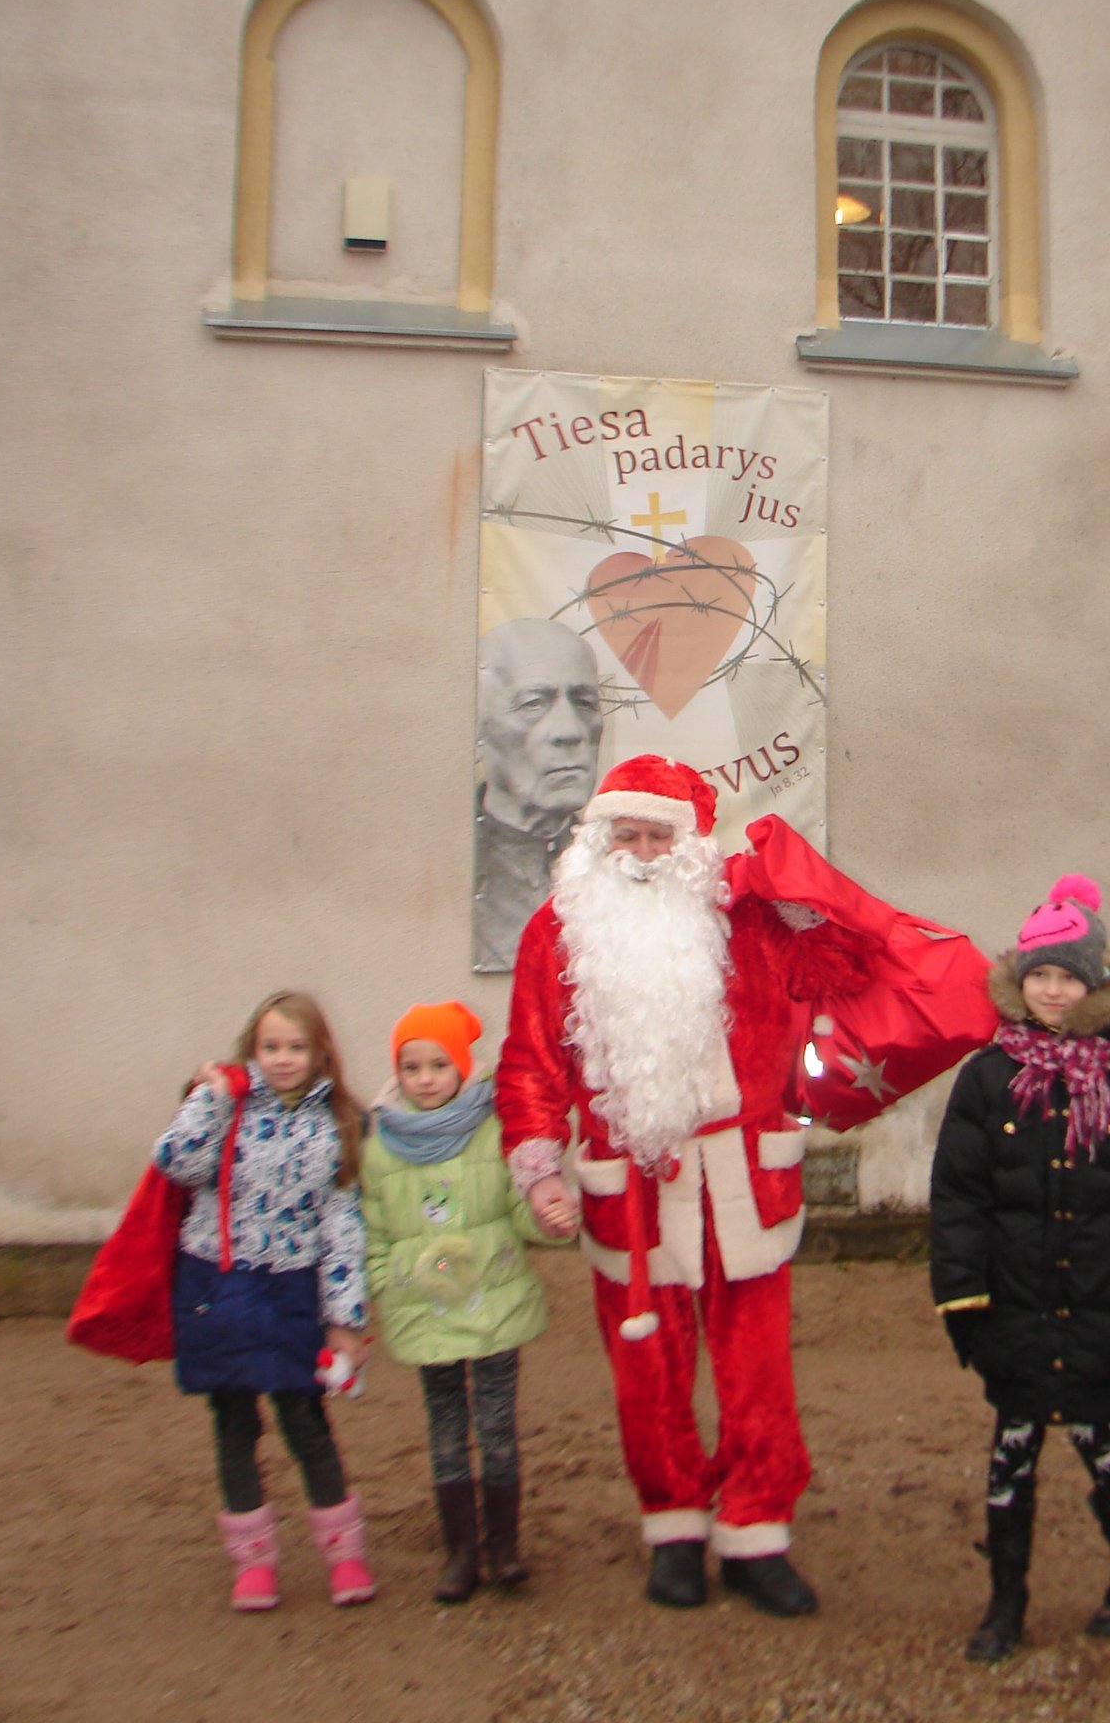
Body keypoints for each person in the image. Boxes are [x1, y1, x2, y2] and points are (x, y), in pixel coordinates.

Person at [495, 753, 872, 1618]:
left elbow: (847, 969)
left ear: (689, 842)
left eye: (655, 834)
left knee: (757, 1368)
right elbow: (529, 1060)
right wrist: (537, 1161)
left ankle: (755, 1532)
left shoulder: (748, 921)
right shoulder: (556, 931)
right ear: (597, 839)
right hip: (626, 1181)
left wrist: (803, 903)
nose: (638, 850)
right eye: (621, 833)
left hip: (742, 1174)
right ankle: (671, 1523)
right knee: (647, 1370)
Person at [929, 876, 1110, 1664]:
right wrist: (963, 1298)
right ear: (1020, 979)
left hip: (1098, 1300)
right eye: (1039, 974)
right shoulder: (987, 1077)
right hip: (1015, 1300)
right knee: (1013, 1443)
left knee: (1093, 1431)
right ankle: (1006, 1601)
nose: (1051, 990)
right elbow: (960, 1197)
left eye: (1067, 976)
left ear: (1093, 986)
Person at [152, 989, 373, 1613]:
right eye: (270, 1047)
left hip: (292, 1289)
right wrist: (207, 1098)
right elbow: (174, 1161)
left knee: (306, 1421)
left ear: (319, 1052)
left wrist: (345, 1320)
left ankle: (344, 1553)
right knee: (234, 1422)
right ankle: (252, 1564)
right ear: (252, 1048)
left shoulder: (337, 1123)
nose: (282, 1060)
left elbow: (342, 1225)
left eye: (295, 1048)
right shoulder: (228, 1106)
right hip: (220, 1285)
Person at [360, 999, 566, 1603]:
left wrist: (545, 1215)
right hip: (425, 1313)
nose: (425, 1079)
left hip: (493, 1307)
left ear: (462, 1066)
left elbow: (516, 1205)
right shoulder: (380, 1146)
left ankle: (504, 1547)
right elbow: (371, 1228)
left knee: (497, 1427)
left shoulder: (495, 1130)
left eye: (438, 1065)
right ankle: (460, 1552)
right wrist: (385, 1279)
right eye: (411, 1067)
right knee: (446, 1431)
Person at [473, 619, 604, 971]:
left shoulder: (613, 862)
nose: (570, 730)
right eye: (533, 703)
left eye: (585, 703)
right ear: (478, 727)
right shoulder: (451, 860)